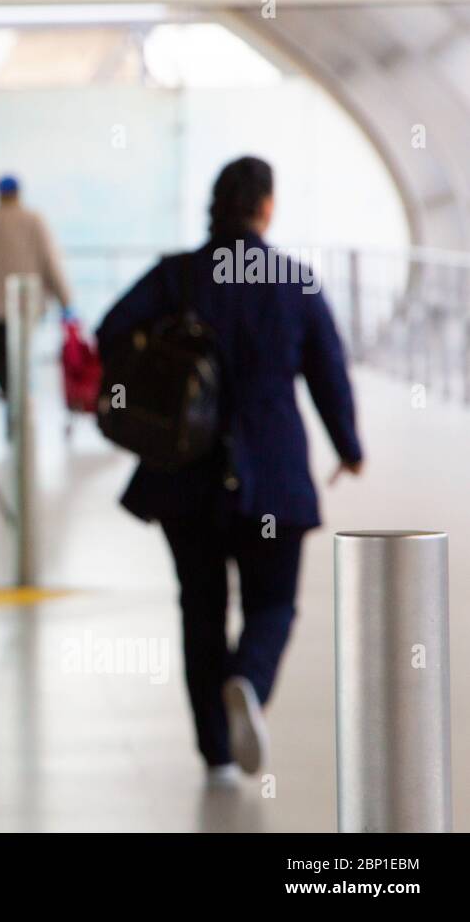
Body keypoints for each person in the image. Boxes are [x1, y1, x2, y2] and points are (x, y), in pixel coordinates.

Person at [96, 156, 363, 786]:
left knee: (201, 606)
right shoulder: (294, 283)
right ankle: (249, 679)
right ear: (266, 208)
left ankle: (216, 752)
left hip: (186, 472)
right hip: (271, 475)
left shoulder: (178, 276)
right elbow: (330, 373)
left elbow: (110, 331)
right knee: (272, 602)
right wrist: (349, 447)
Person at [0, 175, 72, 395]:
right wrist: (66, 301)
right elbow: (50, 262)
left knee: (1, 363)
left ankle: (13, 405)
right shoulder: (33, 220)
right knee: (21, 364)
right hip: (27, 308)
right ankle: (19, 409)